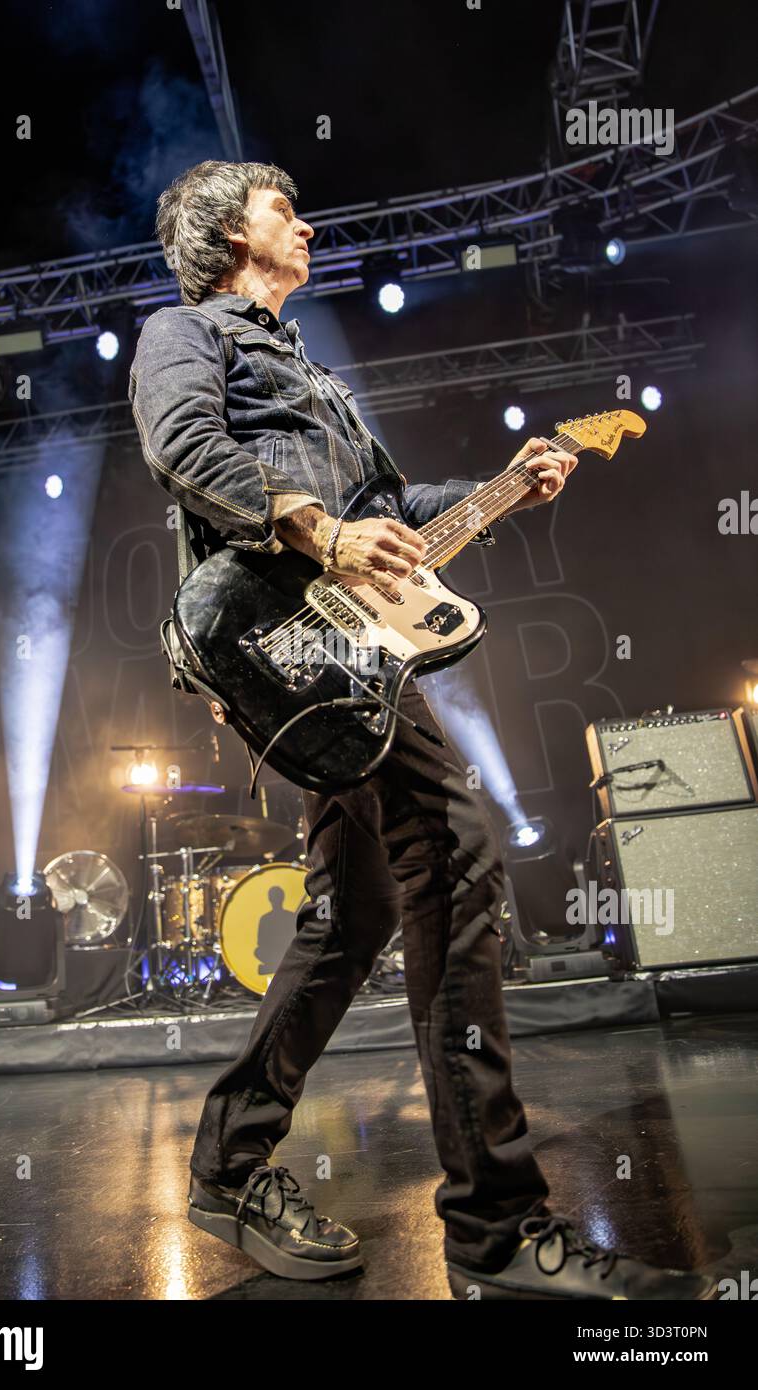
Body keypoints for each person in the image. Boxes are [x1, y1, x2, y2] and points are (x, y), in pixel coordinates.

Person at [129, 160, 717, 1300]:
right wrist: (319, 534)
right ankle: (494, 1230)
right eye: (281, 210)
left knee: (357, 911)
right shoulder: (184, 332)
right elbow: (186, 449)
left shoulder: (314, 377)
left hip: (355, 663)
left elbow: (385, 518)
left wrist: (499, 484)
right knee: (453, 858)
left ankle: (229, 1164)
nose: (304, 223)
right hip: (284, 644)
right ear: (223, 233)